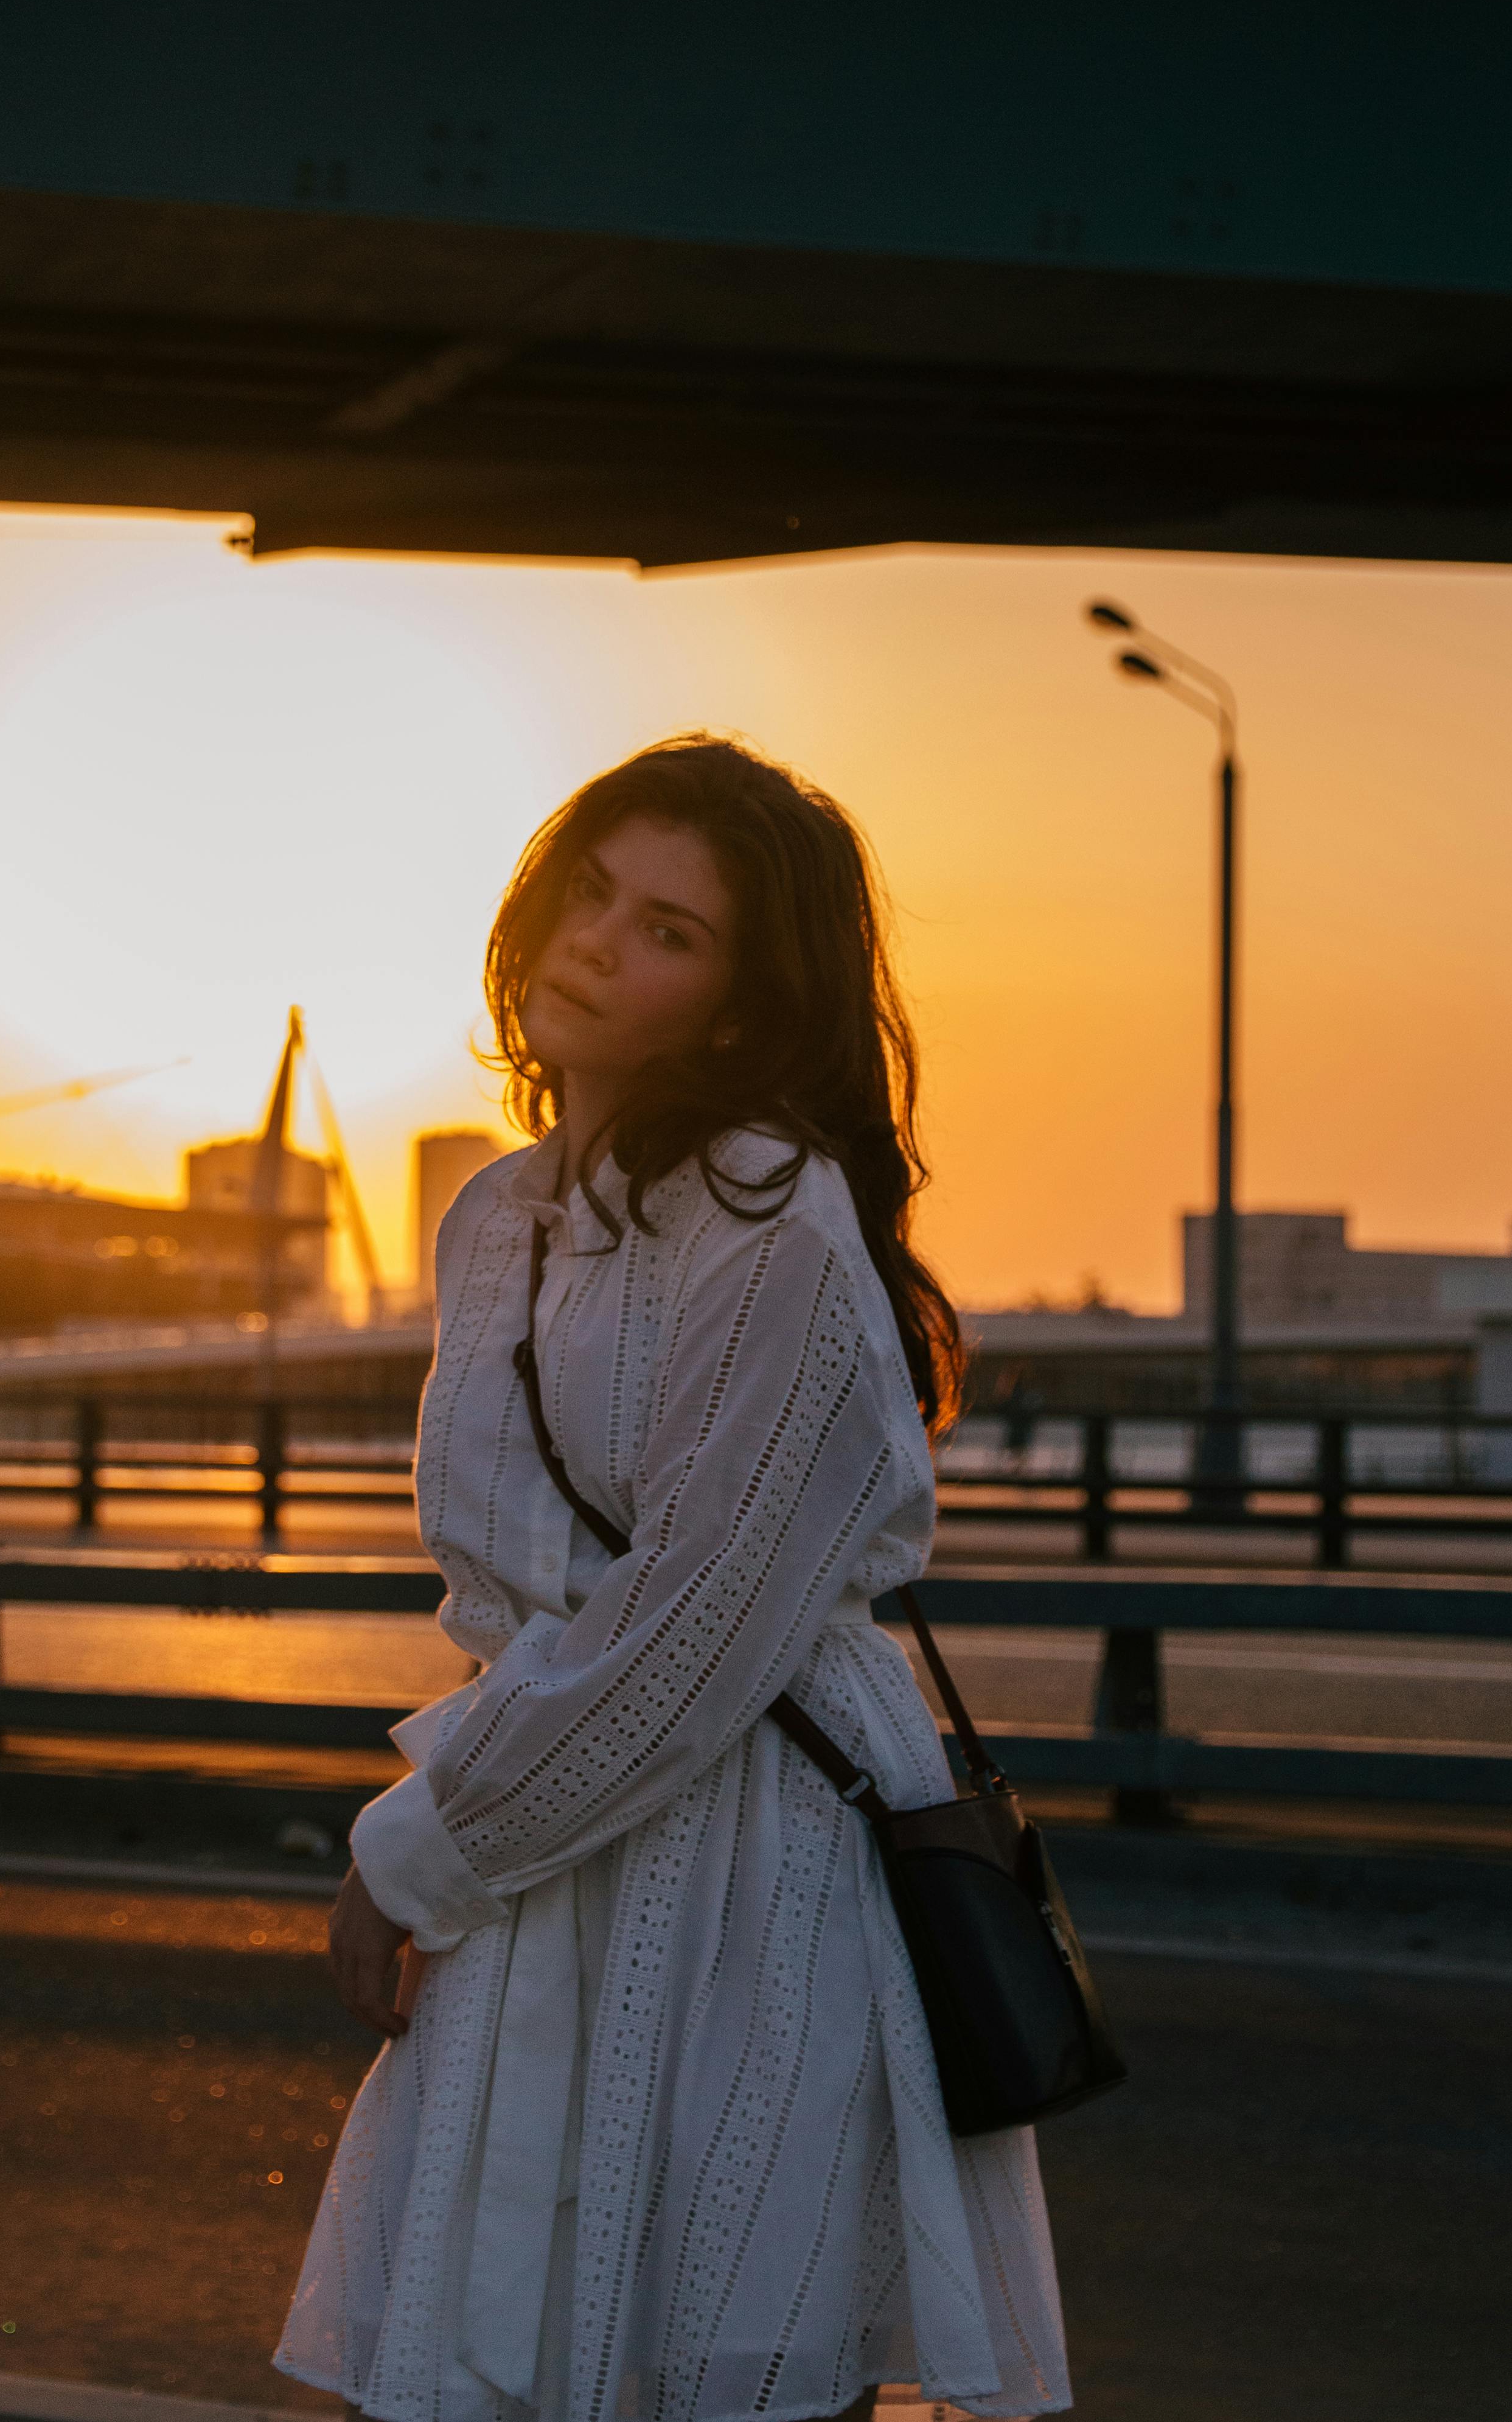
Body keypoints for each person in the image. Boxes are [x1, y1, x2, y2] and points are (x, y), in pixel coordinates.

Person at [276, 736, 1070, 2422]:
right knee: (484, 2363)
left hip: (742, 1858)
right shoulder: (497, 1215)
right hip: (550, 1851)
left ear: (735, 1006)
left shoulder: (770, 1215)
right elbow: (536, 1592)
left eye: (667, 929)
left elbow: (701, 1625)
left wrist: (419, 1844)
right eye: (590, 888)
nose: (593, 939)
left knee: (727, 2363)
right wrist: (472, 1832)